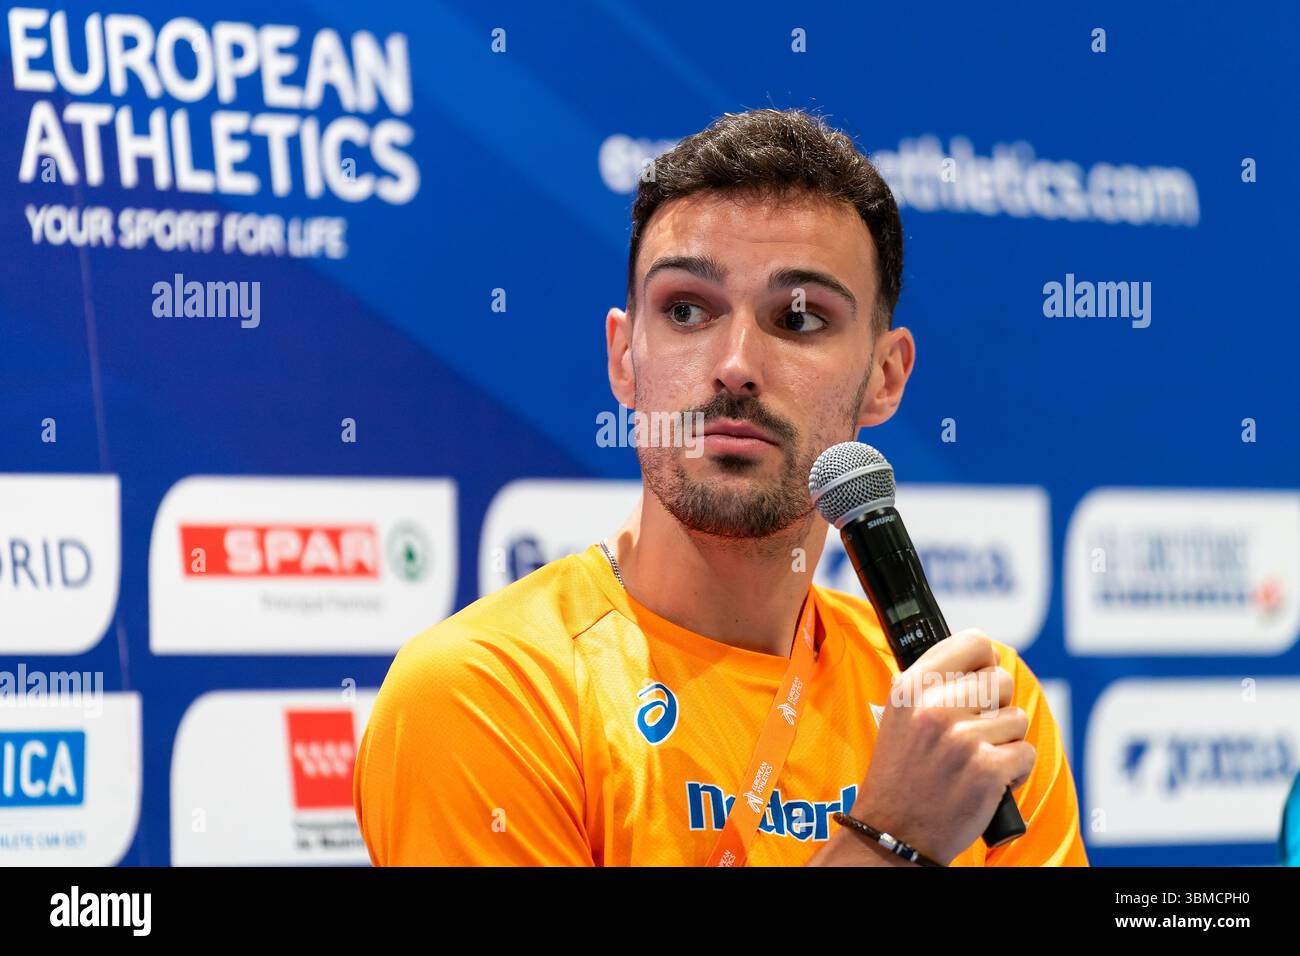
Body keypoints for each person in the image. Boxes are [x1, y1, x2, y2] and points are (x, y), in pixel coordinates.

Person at [353, 108, 1088, 867]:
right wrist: (892, 841)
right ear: (624, 358)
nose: (735, 362)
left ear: (886, 376)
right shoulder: (485, 692)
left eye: (799, 318)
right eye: (686, 310)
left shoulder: (979, 716)